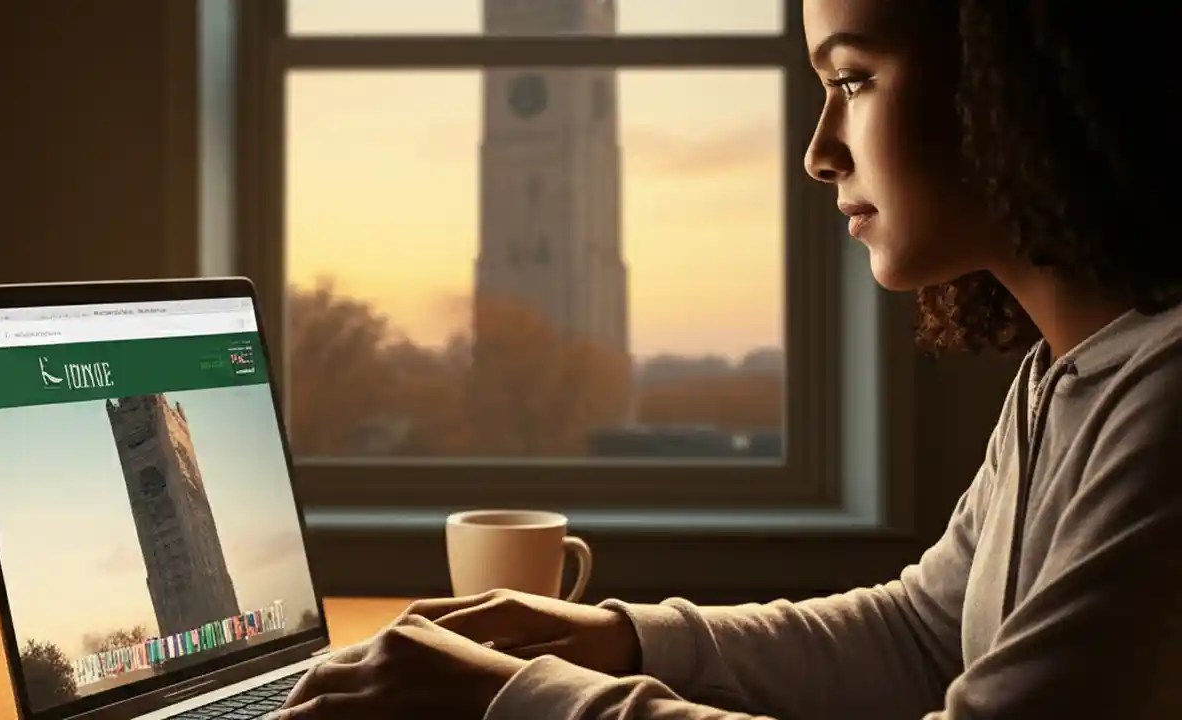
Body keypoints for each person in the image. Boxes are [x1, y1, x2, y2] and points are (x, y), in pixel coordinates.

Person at [272, 1, 1182, 718]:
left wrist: (516, 700)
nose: (820, 153)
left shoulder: (1165, 399)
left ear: (1006, 85)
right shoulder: (1062, 380)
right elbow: (926, 634)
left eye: (854, 80)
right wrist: (610, 638)